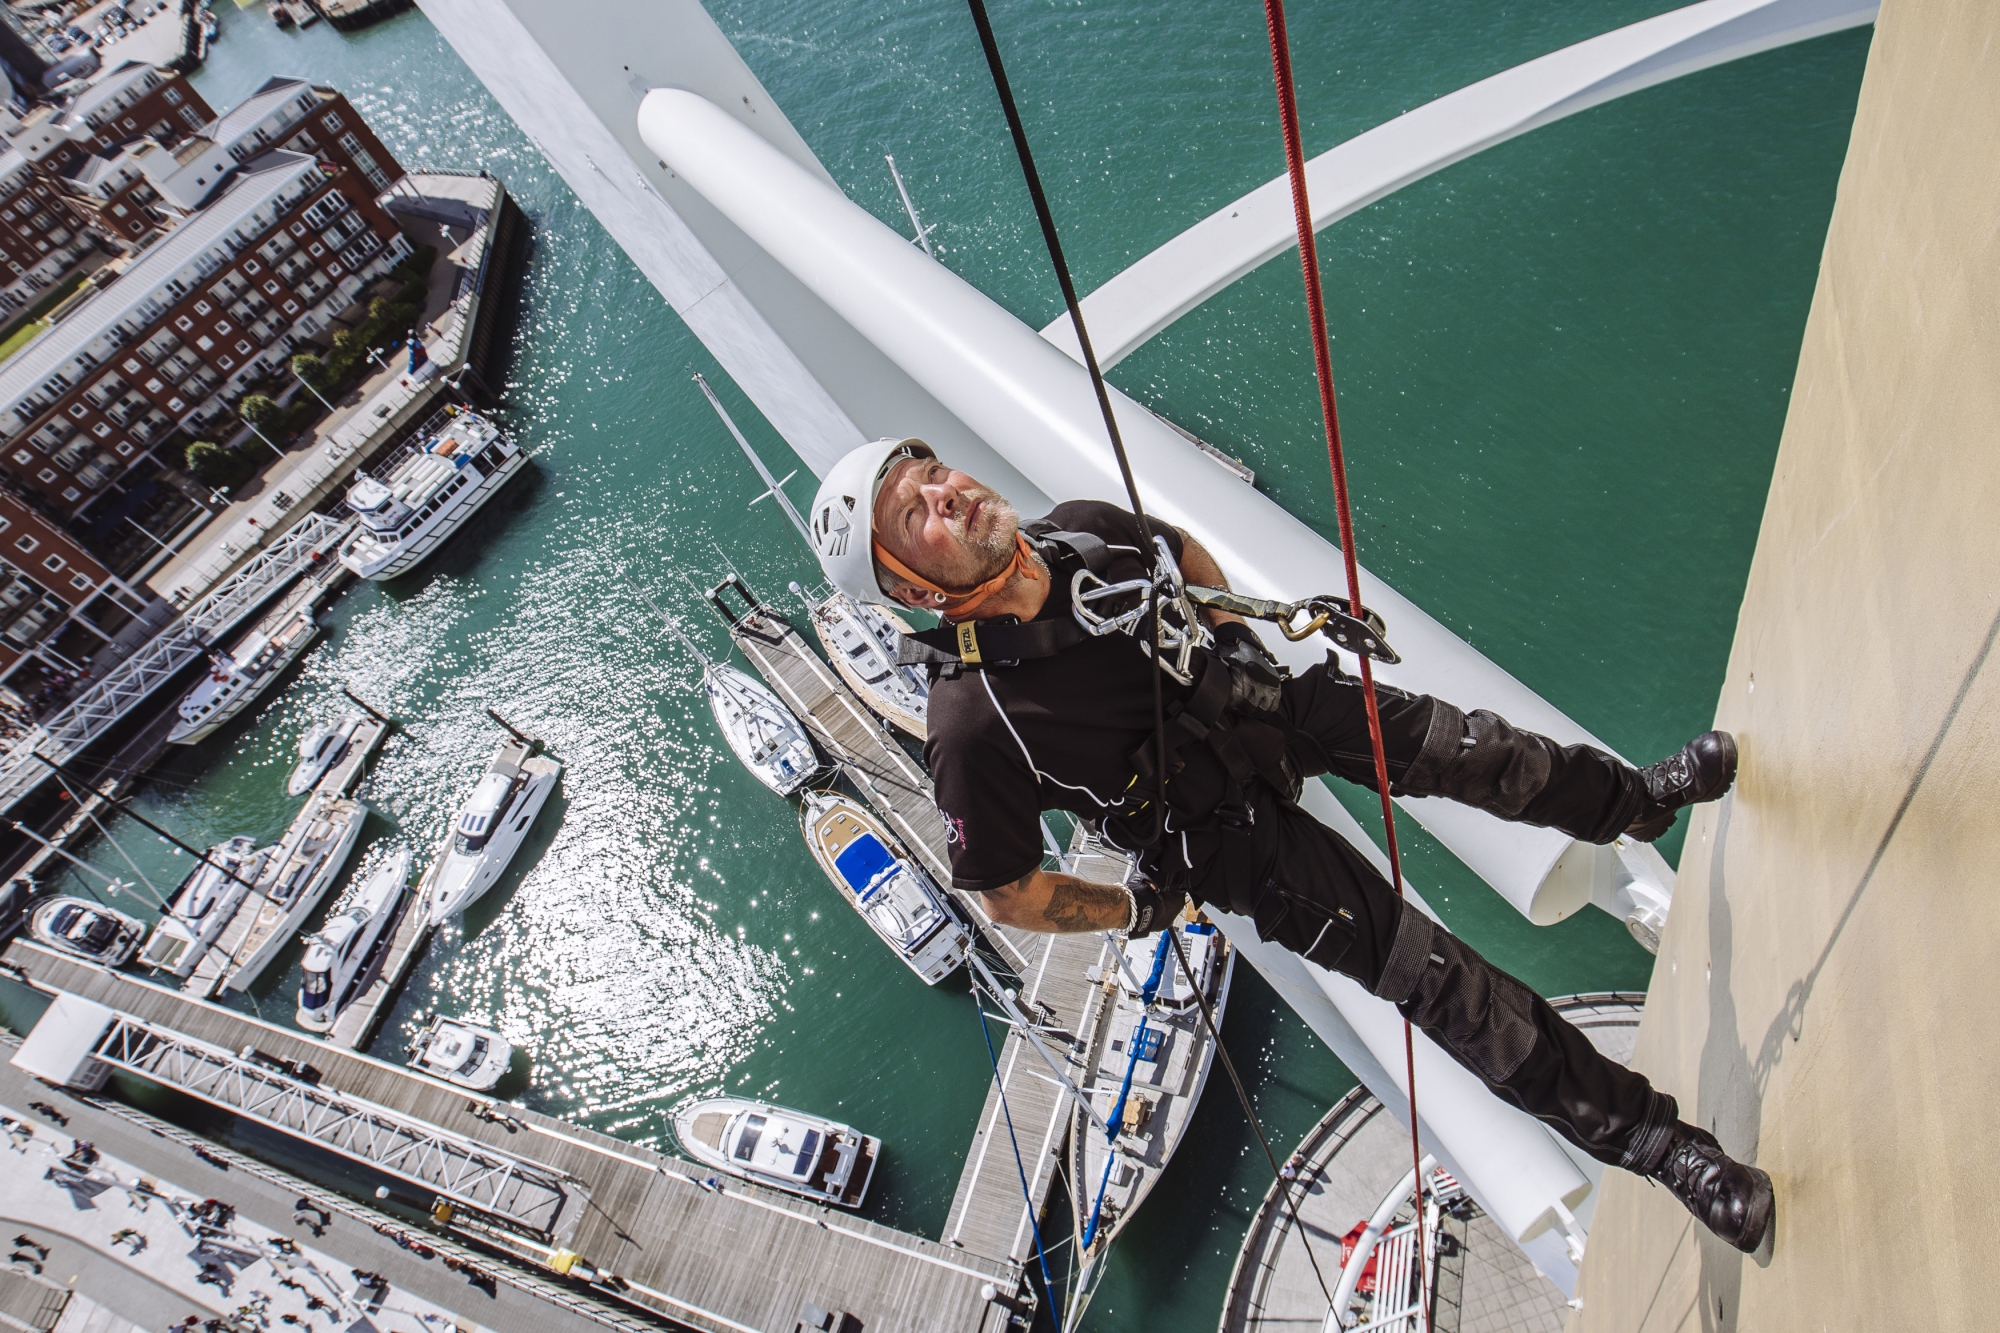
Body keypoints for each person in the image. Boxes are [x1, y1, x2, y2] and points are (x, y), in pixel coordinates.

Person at [808, 437, 1775, 1254]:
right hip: (1231, 840)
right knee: (1446, 987)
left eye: (932, 470)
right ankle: (1660, 1143)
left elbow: (1183, 553)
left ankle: (1635, 801)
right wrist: (1138, 907)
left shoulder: (1082, 528)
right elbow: (1008, 892)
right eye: (915, 514)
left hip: (1263, 706)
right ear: (908, 585)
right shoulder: (973, 723)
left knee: (1479, 751)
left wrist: (1235, 642)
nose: (949, 493)